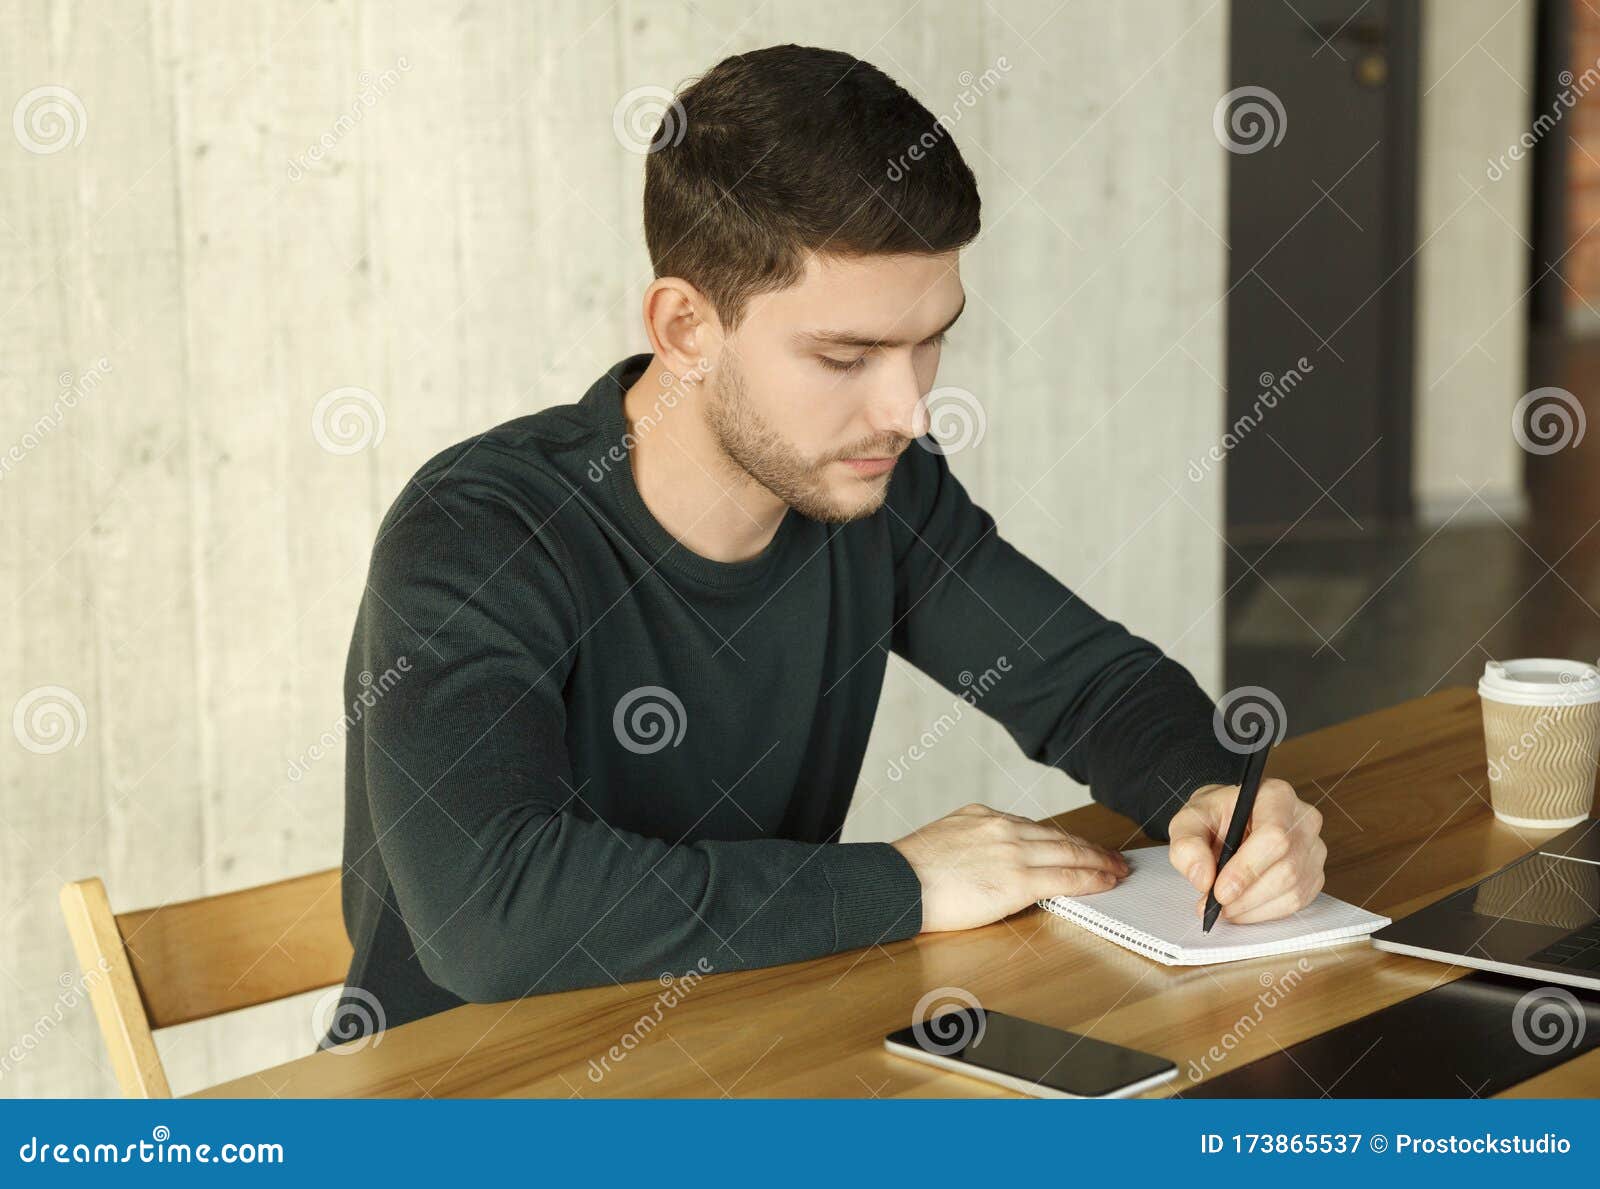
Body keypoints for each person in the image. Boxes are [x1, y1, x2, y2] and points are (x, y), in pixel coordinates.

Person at [329, 43, 1327, 1041]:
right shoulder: (477, 531)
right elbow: (486, 916)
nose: (908, 410)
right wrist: (900, 883)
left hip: (737, 1063)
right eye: (844, 357)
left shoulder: (871, 490)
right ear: (685, 328)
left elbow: (1090, 687)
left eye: (929, 338)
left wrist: (1215, 797)